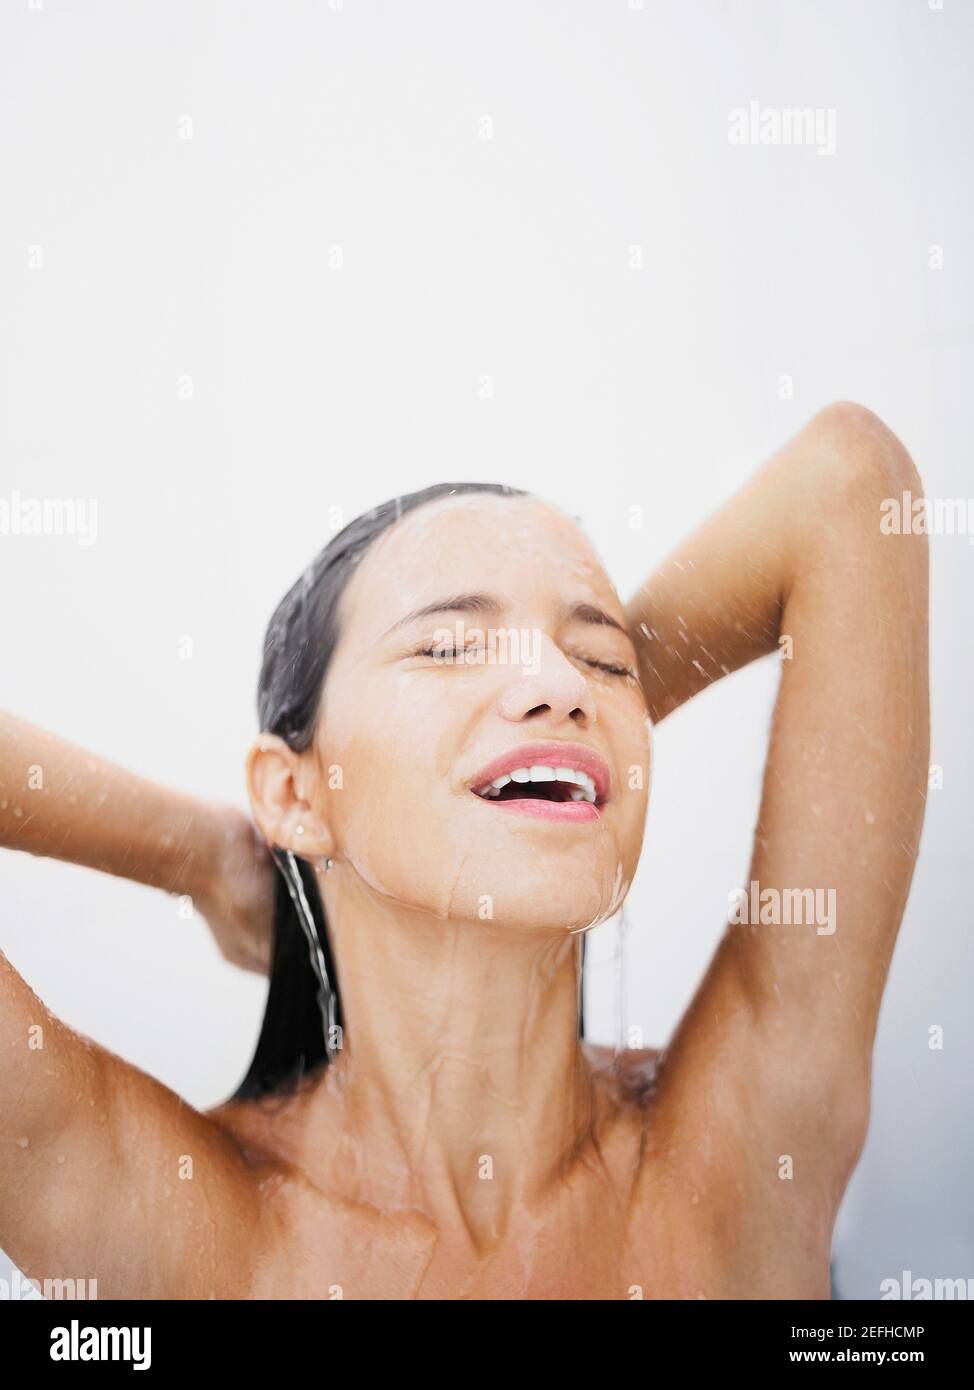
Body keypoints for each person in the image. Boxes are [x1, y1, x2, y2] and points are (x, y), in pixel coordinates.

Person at [0, 402, 929, 1299]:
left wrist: (572, 725)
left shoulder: (741, 1153)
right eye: (446, 648)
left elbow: (849, 483)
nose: (559, 683)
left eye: (601, 660)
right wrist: (195, 852)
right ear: (291, 792)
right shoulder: (183, 1224)